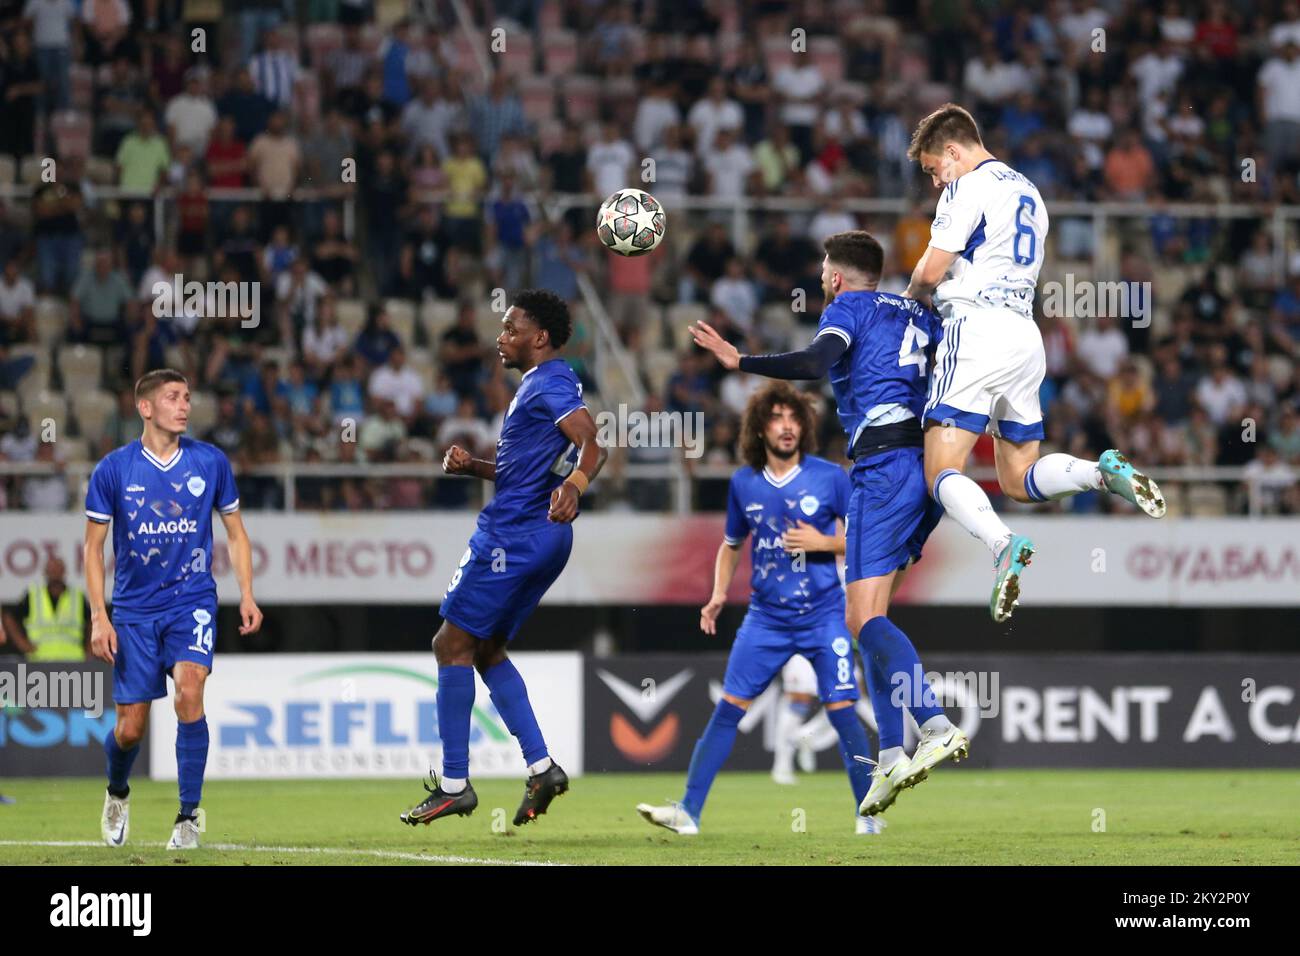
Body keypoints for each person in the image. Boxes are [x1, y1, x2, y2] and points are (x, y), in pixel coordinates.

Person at [689, 231, 967, 816]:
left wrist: (741, 360)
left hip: (885, 467)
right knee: (871, 619)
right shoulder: (915, 312)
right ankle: (891, 755)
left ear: (837, 277)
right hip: (928, 464)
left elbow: (816, 362)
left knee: (859, 618)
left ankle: (934, 722)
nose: (820, 277)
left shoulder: (848, 308)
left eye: (823, 269)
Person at [903, 104, 1165, 622]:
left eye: (935, 169)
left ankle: (1002, 546)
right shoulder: (1030, 192)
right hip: (1025, 336)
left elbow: (931, 272)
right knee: (1018, 479)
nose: (936, 182)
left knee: (939, 470)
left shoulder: (966, 186)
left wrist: (907, 298)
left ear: (953, 151)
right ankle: (1098, 473)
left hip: (975, 332)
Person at [636, 381, 885, 836]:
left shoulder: (830, 477)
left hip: (824, 613)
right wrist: (716, 595)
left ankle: (867, 814)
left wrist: (825, 542)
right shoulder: (743, 482)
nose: (787, 427)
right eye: (777, 419)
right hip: (766, 617)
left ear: (805, 426)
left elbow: (865, 539)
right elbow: (731, 546)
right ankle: (688, 812)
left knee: (843, 710)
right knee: (729, 709)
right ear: (759, 428)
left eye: (794, 419)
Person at [400, 290, 606, 828]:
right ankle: (542, 768)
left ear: (539, 337)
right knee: (486, 648)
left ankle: (453, 784)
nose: (501, 335)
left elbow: (593, 443)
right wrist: (476, 467)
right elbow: (526, 472)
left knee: (449, 643)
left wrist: (578, 486)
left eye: (512, 327)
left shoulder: (552, 380)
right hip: (544, 535)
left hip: (513, 536)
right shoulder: (540, 385)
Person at [85, 369, 263, 850]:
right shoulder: (114, 469)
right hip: (134, 612)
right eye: (172, 398)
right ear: (145, 407)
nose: (184, 405)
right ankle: (118, 793)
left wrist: (246, 593)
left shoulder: (210, 462)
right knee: (129, 728)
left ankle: (187, 818)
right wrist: (100, 616)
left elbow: (236, 532)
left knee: (189, 694)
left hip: (192, 601)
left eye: (187, 397)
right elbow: (92, 548)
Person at [1, 556, 89, 660]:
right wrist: (22, 643)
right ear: (45, 572)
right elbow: (8, 616)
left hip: (73, 659)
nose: (55, 573)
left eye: (58, 569)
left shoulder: (77, 596)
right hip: (40, 659)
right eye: (52, 570)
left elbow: (92, 622)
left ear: (64, 571)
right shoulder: (34, 596)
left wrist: (90, 650)